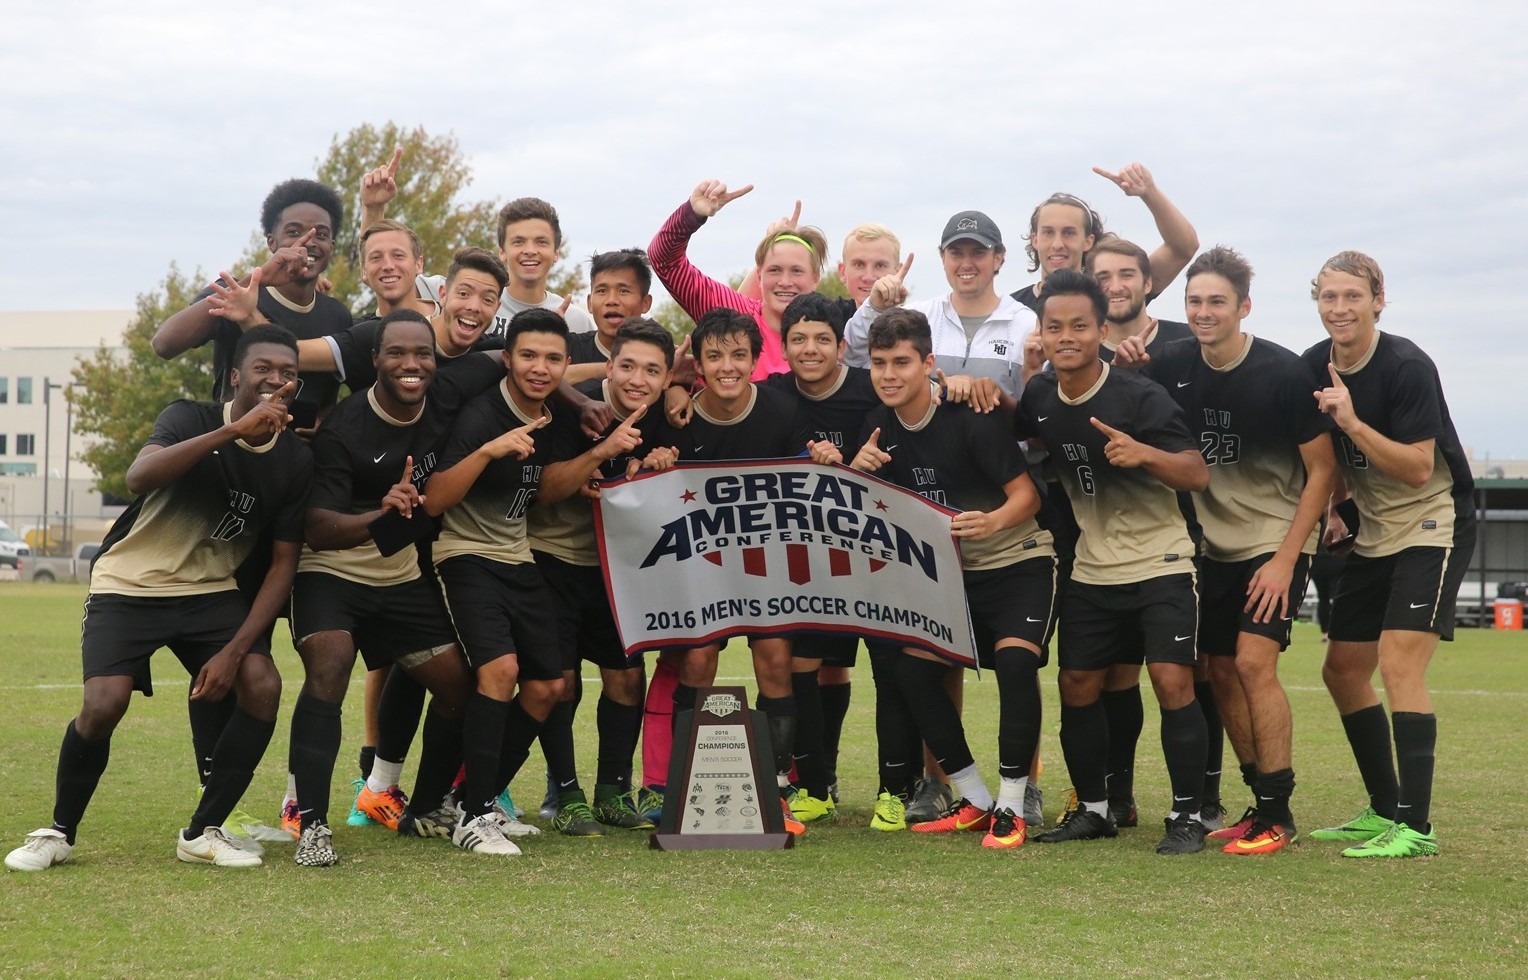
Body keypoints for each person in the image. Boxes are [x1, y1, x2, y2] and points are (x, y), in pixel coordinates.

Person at [6, 327, 312, 871]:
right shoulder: (188, 417)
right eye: (263, 368)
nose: (277, 380)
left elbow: (283, 564)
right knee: (104, 705)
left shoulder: (294, 458)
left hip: (208, 591)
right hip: (129, 583)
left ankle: (202, 832)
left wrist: (234, 652)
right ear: (236, 376)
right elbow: (139, 476)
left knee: (262, 684)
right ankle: (58, 832)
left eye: (288, 373)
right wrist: (232, 432)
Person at [822, 308, 1054, 849]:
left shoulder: (968, 415)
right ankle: (973, 798)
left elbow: (1028, 496)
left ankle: (1013, 804)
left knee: (1016, 663)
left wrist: (992, 521)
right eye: (879, 363)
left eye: (901, 362)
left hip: (1016, 559)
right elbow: (870, 513)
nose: (889, 374)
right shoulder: (877, 427)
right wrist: (857, 471)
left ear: (928, 363)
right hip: (949, 574)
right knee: (913, 671)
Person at [285, 310, 501, 866]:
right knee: (330, 668)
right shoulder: (344, 428)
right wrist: (378, 515)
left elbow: (519, 360)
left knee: (458, 686)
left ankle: (425, 808)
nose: (412, 364)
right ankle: (310, 822)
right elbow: (318, 528)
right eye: (398, 353)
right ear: (375, 359)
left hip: (399, 574)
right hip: (332, 570)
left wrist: (586, 400)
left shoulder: (446, 391)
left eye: (422, 353)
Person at [1141, 246, 1337, 854]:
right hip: (1207, 546)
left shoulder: (1283, 372)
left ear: (1244, 307)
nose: (1203, 312)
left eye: (1217, 302)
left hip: (1272, 542)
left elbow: (1323, 471)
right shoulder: (1170, 363)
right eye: (1194, 301)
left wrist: (1286, 560)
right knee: (1219, 670)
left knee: (1253, 664)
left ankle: (1278, 814)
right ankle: (1259, 801)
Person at [1016, 269, 1213, 856]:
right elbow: (1017, 429)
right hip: (1093, 566)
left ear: (1102, 330)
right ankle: (1095, 810)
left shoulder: (1138, 395)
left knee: (1172, 680)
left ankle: (1187, 815)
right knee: (1076, 683)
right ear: (1042, 333)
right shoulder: (1041, 396)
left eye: (1079, 326)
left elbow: (1196, 473)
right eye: (1055, 327)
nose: (1067, 337)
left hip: (1162, 560)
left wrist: (1144, 453)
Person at [1302, 251, 1475, 858]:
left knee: (1399, 665)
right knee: (1343, 670)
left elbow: (1418, 467)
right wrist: (1336, 506)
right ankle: (1382, 808)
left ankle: (1416, 828)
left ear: (1378, 300)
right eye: (1329, 296)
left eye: (1353, 296)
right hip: (1374, 532)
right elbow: (1319, 457)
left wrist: (1352, 422)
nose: (1340, 308)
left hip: (1433, 521)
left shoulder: (1406, 365)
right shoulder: (1313, 365)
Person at [422, 308, 591, 854]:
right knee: (500, 671)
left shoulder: (554, 417)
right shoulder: (482, 414)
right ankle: (473, 819)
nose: (540, 367)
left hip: (519, 557)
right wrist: (488, 450)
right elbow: (435, 500)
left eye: (552, 358)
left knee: (547, 687)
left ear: (566, 364)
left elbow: (538, 490)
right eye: (528, 355)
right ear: (508, 358)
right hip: (465, 554)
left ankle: (476, 798)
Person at [530, 318, 682, 834]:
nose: (638, 379)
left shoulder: (670, 419)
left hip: (620, 571)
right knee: (560, 682)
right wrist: (599, 454)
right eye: (628, 366)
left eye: (652, 371)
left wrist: (663, 467)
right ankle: (565, 794)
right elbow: (543, 490)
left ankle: (613, 791)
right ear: (610, 366)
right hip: (553, 556)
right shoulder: (572, 409)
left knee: (625, 677)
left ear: (667, 378)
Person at [668, 307, 813, 836]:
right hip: (702, 563)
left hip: (766, 561)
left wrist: (818, 458)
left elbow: (803, 482)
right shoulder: (680, 416)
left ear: (754, 361)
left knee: (775, 660)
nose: (726, 366)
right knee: (698, 658)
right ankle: (685, 783)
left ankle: (777, 786)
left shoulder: (781, 409)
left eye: (738, 355)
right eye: (714, 356)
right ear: (699, 364)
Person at [761, 293, 880, 821]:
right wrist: (676, 388)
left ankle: (899, 786)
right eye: (798, 339)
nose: (810, 349)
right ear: (784, 346)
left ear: (841, 347)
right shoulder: (773, 393)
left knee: (881, 668)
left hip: (871, 553)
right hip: (804, 558)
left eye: (822, 339)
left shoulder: (869, 388)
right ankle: (815, 781)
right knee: (803, 664)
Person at [152, 178, 353, 424]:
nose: (308, 242)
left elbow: (328, 395)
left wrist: (323, 427)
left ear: (331, 246)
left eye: (321, 235)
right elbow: (164, 344)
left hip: (297, 447)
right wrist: (257, 280)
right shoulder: (235, 291)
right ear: (272, 242)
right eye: (294, 232)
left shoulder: (337, 314)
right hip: (233, 441)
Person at [649, 178, 829, 379]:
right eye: (774, 270)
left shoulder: (833, 331)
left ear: (815, 278)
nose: (785, 282)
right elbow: (665, 261)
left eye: (796, 271)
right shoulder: (735, 313)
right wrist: (692, 214)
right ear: (759, 275)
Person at [1011, 163, 1199, 314]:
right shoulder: (1012, 309)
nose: (1058, 244)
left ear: (1088, 241)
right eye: (1048, 232)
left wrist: (1149, 193)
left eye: (1069, 233)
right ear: (1035, 240)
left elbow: (1183, 248)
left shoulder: (1114, 293)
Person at [491, 197, 598, 337]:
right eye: (518, 242)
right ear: (502, 252)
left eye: (541, 242)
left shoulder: (576, 321)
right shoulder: (482, 310)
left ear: (555, 253)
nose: (530, 251)